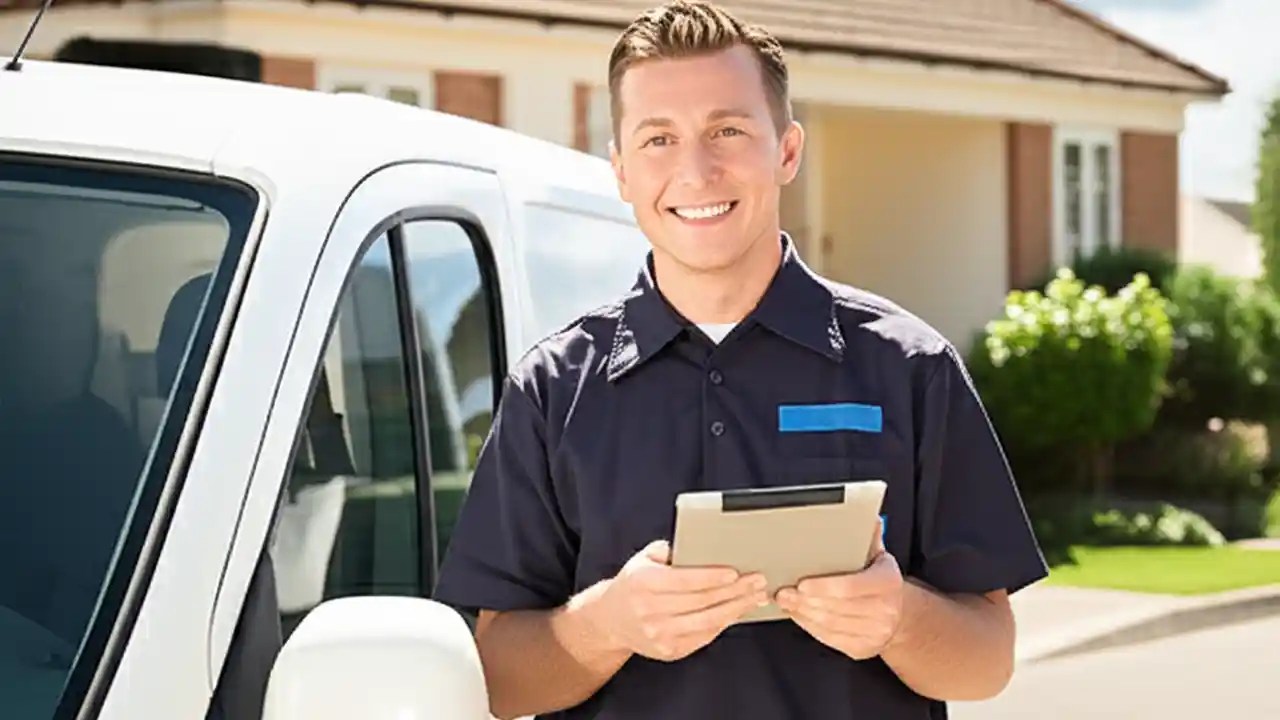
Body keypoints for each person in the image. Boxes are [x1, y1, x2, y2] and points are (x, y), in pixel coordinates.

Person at [432, 2, 1048, 718]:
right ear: (622, 170)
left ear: (787, 151)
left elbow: (986, 660)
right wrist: (607, 626)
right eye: (658, 138)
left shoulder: (912, 368)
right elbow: (498, 681)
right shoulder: (551, 389)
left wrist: (899, 619)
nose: (695, 170)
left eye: (727, 130)